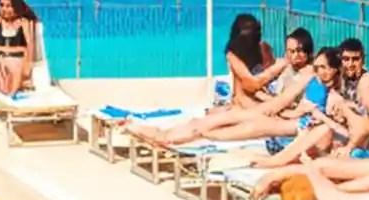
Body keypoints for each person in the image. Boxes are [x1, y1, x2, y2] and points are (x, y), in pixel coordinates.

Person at [128, 28, 315, 145]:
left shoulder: (308, 73)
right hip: (269, 110)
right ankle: (163, 135)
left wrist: (271, 103)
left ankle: (165, 138)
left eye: (299, 51)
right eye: (290, 50)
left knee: (213, 127)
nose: (294, 55)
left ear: (308, 51)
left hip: (279, 117)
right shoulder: (286, 66)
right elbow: (263, 90)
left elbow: (287, 104)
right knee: (210, 119)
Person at [249, 37, 369, 167]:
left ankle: (278, 160)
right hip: (354, 139)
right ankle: (282, 159)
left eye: (355, 59)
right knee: (314, 127)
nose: (350, 64)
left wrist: (349, 146)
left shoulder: (366, 84)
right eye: (346, 60)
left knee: (323, 130)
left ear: (363, 59)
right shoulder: (347, 82)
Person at [221, 13, 288, 110]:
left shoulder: (263, 48)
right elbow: (250, 84)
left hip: (263, 96)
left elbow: (271, 77)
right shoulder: (232, 56)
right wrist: (277, 67)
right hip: (243, 102)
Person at [0, 0, 40, 96]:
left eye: (8, 6)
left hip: (19, 61)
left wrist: (27, 67)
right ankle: (13, 92)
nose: (4, 9)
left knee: (14, 69)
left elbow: (30, 46)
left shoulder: (24, 23)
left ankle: (12, 93)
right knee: (3, 69)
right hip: (1, 62)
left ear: (16, 7)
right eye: (1, 5)